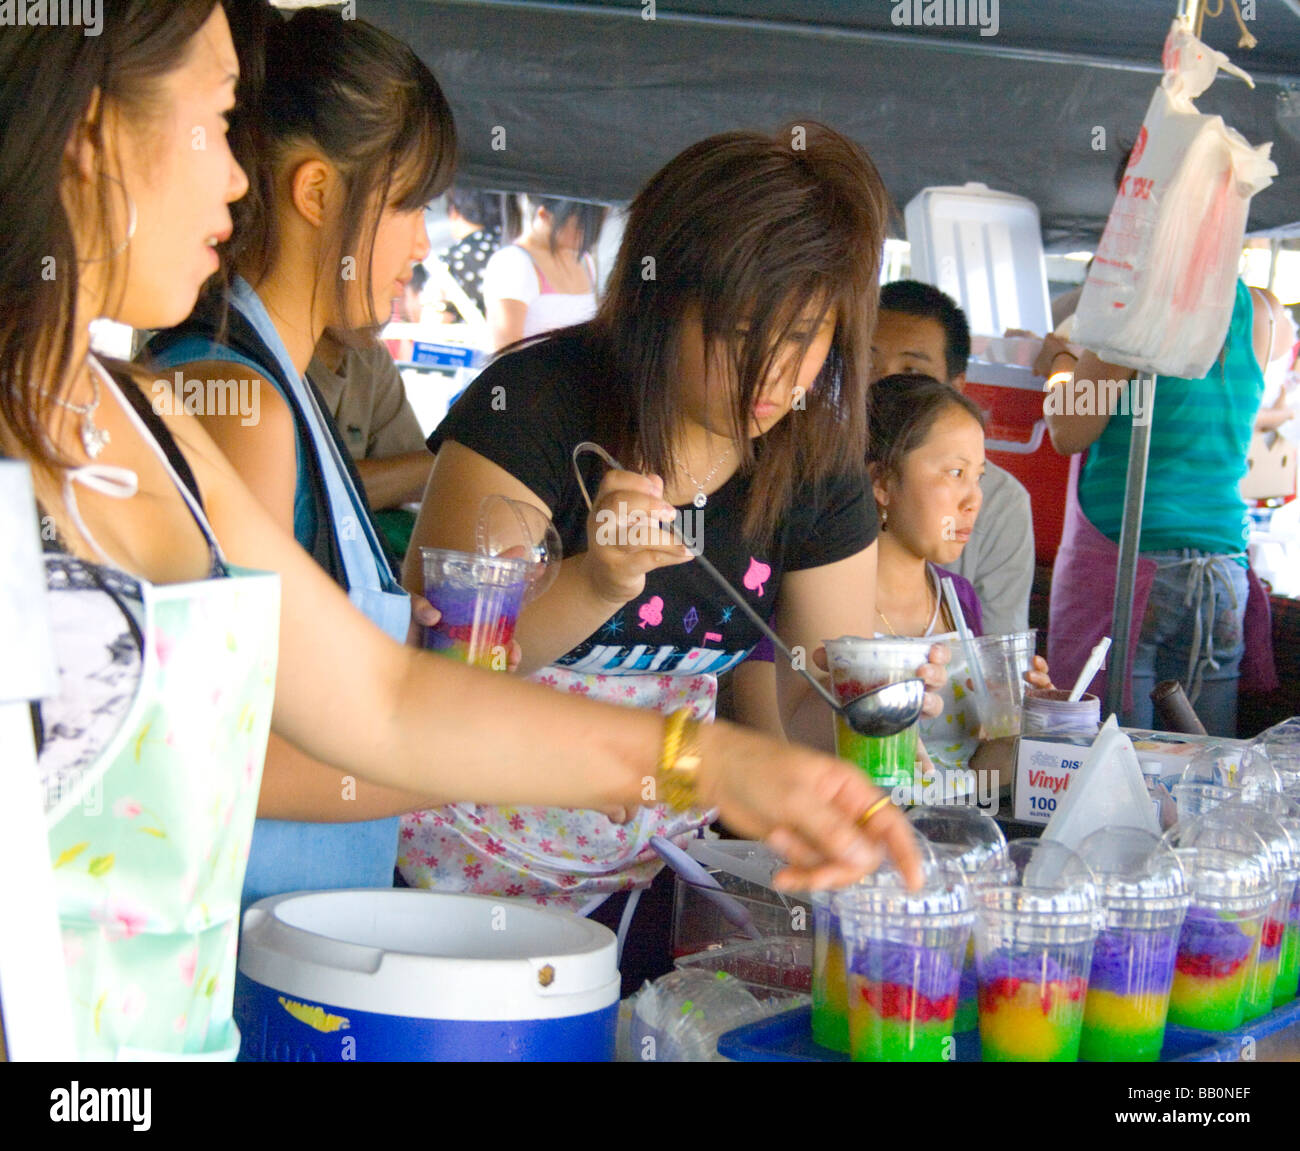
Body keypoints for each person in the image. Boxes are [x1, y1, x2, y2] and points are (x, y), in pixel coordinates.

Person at [2, 0, 920, 1058]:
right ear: (87, 130)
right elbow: (319, 744)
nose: (237, 177)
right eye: (214, 121)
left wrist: (708, 763)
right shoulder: (477, 405)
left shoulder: (147, 425)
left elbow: (384, 697)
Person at [400, 124, 948, 983]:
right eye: (739, 331)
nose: (775, 374)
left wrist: (886, 698)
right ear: (660, 302)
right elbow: (447, 674)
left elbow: (814, 710)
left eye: (808, 338)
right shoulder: (536, 403)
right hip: (461, 878)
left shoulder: (814, 462)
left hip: (656, 878)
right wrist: (595, 580)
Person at [1041, 275, 1287, 735]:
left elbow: (1068, 429)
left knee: (1111, 756)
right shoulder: (1261, 311)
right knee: (1206, 762)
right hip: (1223, 573)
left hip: (1131, 564)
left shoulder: (1134, 310)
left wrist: (1059, 362)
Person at [864, 374, 1051, 786]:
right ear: (882, 482)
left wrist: (1023, 727)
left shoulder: (957, 599)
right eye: (954, 472)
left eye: (978, 476)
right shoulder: (821, 599)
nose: (974, 500)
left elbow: (979, 774)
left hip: (952, 836)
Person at [871, 280, 1035, 635]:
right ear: (880, 482)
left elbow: (999, 656)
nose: (883, 384)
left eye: (911, 374)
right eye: (866, 364)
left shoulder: (1001, 505)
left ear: (955, 386)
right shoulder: (799, 483)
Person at [308, 328, 434, 559]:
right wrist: (447, 456)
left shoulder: (367, 356)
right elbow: (307, 491)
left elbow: (416, 482)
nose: (401, 289)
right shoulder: (251, 358)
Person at [482, 194, 605, 350]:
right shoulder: (513, 262)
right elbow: (505, 351)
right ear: (544, 215)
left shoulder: (585, 261)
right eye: (579, 226)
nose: (587, 235)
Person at [435, 186, 503, 324]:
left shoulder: (451, 259)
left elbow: (436, 321)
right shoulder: (512, 250)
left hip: (467, 343)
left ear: (454, 212)